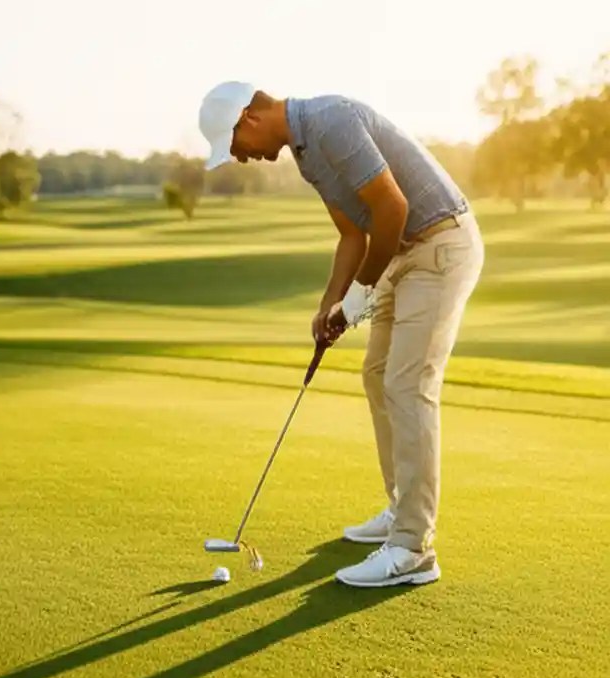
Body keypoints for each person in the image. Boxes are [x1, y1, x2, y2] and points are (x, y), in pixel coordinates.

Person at [198, 82, 485, 588]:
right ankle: (401, 510)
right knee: (376, 376)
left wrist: (359, 295)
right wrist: (331, 302)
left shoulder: (331, 120)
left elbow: (392, 209)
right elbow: (354, 232)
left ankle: (414, 548)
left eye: (236, 148)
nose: (242, 159)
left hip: (440, 246)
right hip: (403, 253)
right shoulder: (306, 152)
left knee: (406, 385)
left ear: (248, 119)